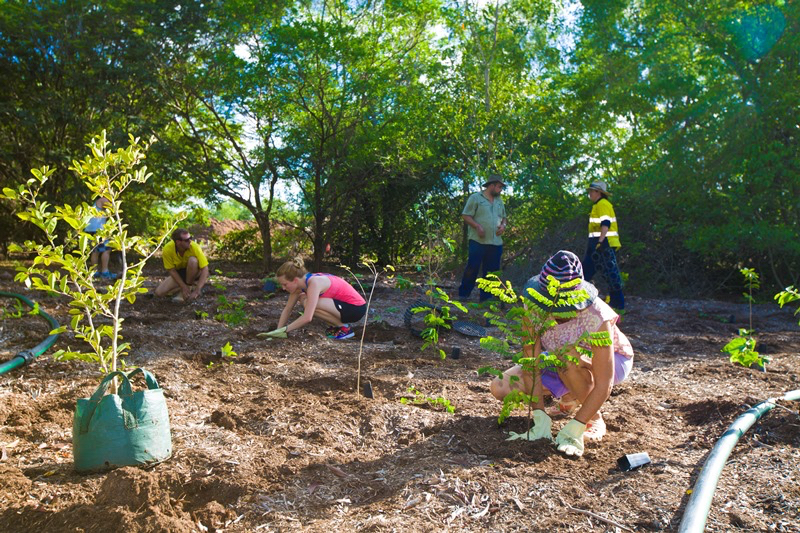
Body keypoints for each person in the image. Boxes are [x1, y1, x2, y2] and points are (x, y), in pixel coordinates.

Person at [489, 250, 634, 457]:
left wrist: (577, 425)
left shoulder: (597, 316)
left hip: (611, 361)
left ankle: (594, 419)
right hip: (558, 359)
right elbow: (531, 363)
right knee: (500, 386)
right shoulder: (534, 306)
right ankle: (570, 394)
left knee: (567, 359)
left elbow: (605, 383)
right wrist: (539, 415)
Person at [258, 257, 367, 340]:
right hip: (343, 306)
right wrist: (277, 332)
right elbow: (287, 309)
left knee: (308, 303)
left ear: (295, 280)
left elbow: (307, 317)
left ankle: (344, 328)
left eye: (285, 284)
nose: (283, 288)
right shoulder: (299, 286)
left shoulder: (314, 283)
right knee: (303, 299)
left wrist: (285, 330)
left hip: (356, 308)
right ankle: (338, 326)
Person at [458, 175, 508, 302]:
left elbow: (504, 218)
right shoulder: (476, 198)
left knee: (491, 272)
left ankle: (486, 298)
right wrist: (477, 226)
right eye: (499, 187)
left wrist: (503, 226)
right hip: (478, 241)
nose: (501, 190)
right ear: (492, 185)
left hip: (496, 242)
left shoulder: (499, 201)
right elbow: (465, 215)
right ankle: (463, 294)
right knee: (472, 267)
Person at [583, 180, 625, 311]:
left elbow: (605, 223)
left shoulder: (603, 204)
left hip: (604, 244)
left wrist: (600, 242)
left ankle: (618, 305)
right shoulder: (597, 205)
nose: (589, 193)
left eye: (591, 191)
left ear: (598, 192)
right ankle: (580, 304)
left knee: (610, 274)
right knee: (585, 273)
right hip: (597, 244)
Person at [154, 228, 209, 302]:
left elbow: (205, 268)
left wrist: (197, 290)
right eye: (186, 240)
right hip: (180, 273)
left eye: (190, 238)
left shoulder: (195, 247)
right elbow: (171, 270)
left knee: (193, 260)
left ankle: (189, 287)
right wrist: (183, 286)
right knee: (159, 293)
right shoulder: (168, 249)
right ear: (178, 242)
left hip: (195, 272)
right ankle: (184, 288)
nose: (190, 241)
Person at [86, 197, 117, 280]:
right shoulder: (103, 200)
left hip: (91, 229)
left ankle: (95, 272)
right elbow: (114, 209)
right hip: (98, 230)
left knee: (95, 251)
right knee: (107, 249)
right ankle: (104, 272)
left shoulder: (97, 202)